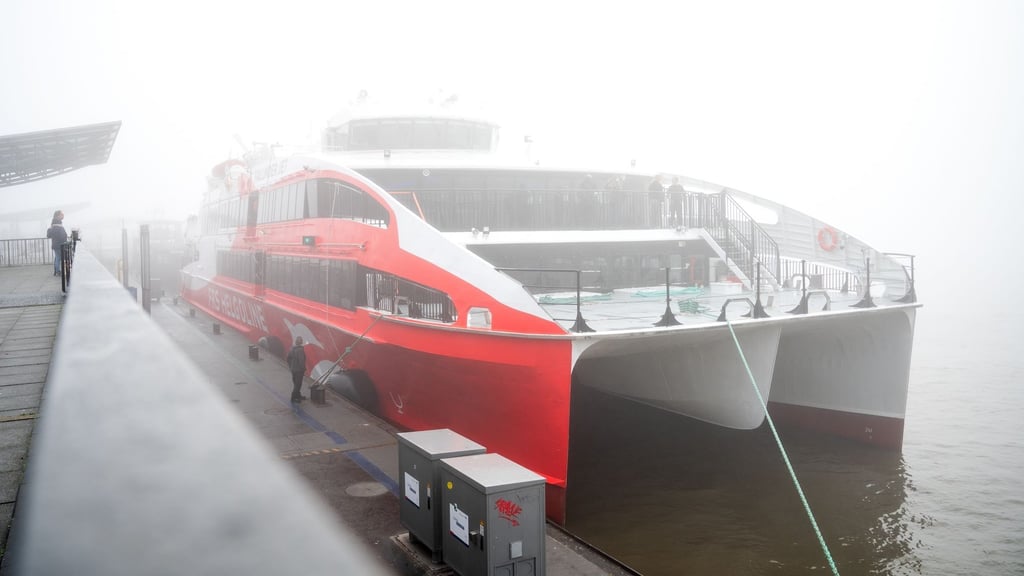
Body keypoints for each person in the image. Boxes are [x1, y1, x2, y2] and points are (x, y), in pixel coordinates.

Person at [46, 210, 67, 277]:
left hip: (55, 244)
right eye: (61, 214)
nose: (63, 215)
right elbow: (63, 235)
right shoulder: (58, 225)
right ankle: (57, 271)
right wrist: (65, 239)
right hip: (59, 244)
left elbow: (49, 235)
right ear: (58, 216)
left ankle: (56, 270)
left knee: (57, 257)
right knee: (58, 258)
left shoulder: (53, 225)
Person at [287, 336, 307, 403]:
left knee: (296, 383)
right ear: (301, 342)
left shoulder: (292, 348)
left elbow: (288, 358)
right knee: (298, 384)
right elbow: (301, 361)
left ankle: (298, 395)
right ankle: (294, 397)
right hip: (299, 371)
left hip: (293, 369)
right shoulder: (300, 350)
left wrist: (291, 366)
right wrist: (303, 369)